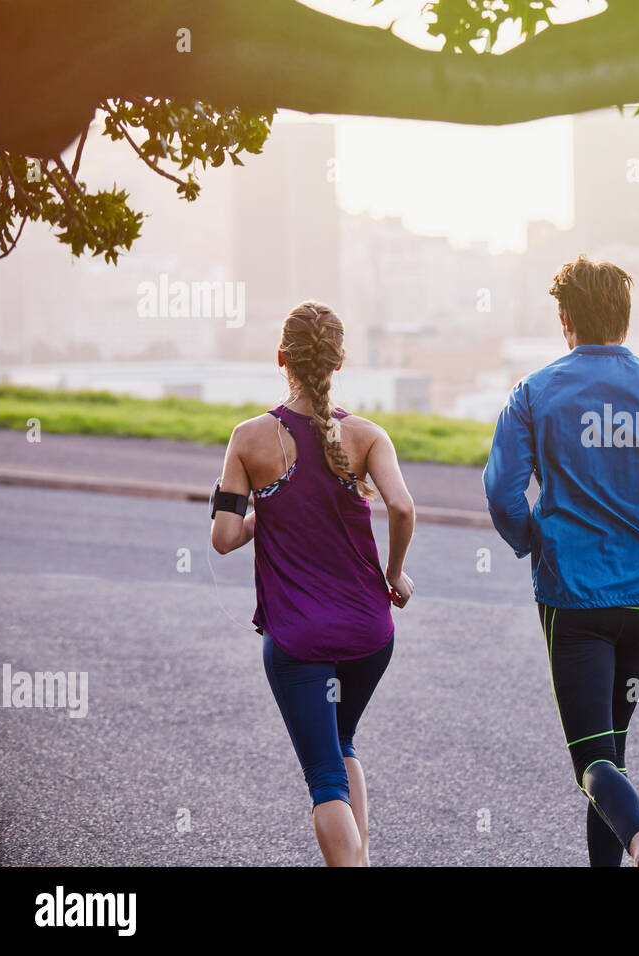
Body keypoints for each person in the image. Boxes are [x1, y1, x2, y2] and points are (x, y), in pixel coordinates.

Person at [483, 255, 639, 867]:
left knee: (592, 761)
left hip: (573, 598)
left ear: (565, 319)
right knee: (612, 751)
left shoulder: (534, 394)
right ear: (624, 318)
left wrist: (533, 540)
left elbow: (501, 493)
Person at [210, 300, 416, 867]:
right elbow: (402, 507)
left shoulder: (249, 438)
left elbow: (223, 538)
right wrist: (393, 574)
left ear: (281, 358)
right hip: (370, 635)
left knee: (325, 775)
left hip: (299, 641)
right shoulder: (370, 436)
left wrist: (258, 507)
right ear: (338, 362)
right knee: (341, 745)